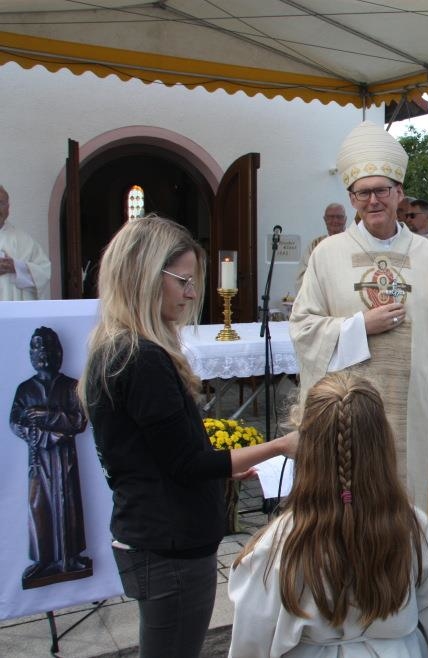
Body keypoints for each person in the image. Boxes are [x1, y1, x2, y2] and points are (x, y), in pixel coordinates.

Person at [80, 215, 298, 658]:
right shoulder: (141, 359)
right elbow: (185, 465)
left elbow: (162, 452)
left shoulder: (121, 348)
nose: (192, 293)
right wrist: (280, 445)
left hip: (155, 533)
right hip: (170, 543)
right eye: (183, 280)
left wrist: (223, 465)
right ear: (144, 275)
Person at [289, 121, 428, 513]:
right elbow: (303, 328)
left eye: (382, 190)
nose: (373, 200)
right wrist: (359, 327)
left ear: (399, 194)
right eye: (363, 193)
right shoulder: (327, 254)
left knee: (413, 502)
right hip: (351, 414)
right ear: (352, 198)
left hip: (419, 408)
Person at [229, 373, 428, 657]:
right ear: (383, 441)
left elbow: (251, 640)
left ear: (305, 445)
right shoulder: (413, 526)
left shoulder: (280, 542)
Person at [10, 327, 92, 589]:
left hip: (64, 458)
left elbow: (79, 420)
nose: (42, 355)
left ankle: (72, 557)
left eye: (47, 349)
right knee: (40, 506)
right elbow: (15, 421)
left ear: (59, 353)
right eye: (36, 350)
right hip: (39, 458)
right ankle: (44, 560)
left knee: (68, 504)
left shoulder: (71, 386)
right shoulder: (25, 389)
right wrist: (38, 434)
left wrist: (47, 416)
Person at [0, 185, 51, 300]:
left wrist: (16, 267)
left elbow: (44, 271)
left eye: (1, 203)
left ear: (8, 208)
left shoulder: (24, 241)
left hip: (14, 310)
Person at [295, 202, 347, 291]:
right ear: (325, 219)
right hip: (321, 298)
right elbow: (303, 276)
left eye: (339, 217)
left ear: (345, 219)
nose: (335, 221)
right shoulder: (315, 245)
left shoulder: (353, 242)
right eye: (330, 217)